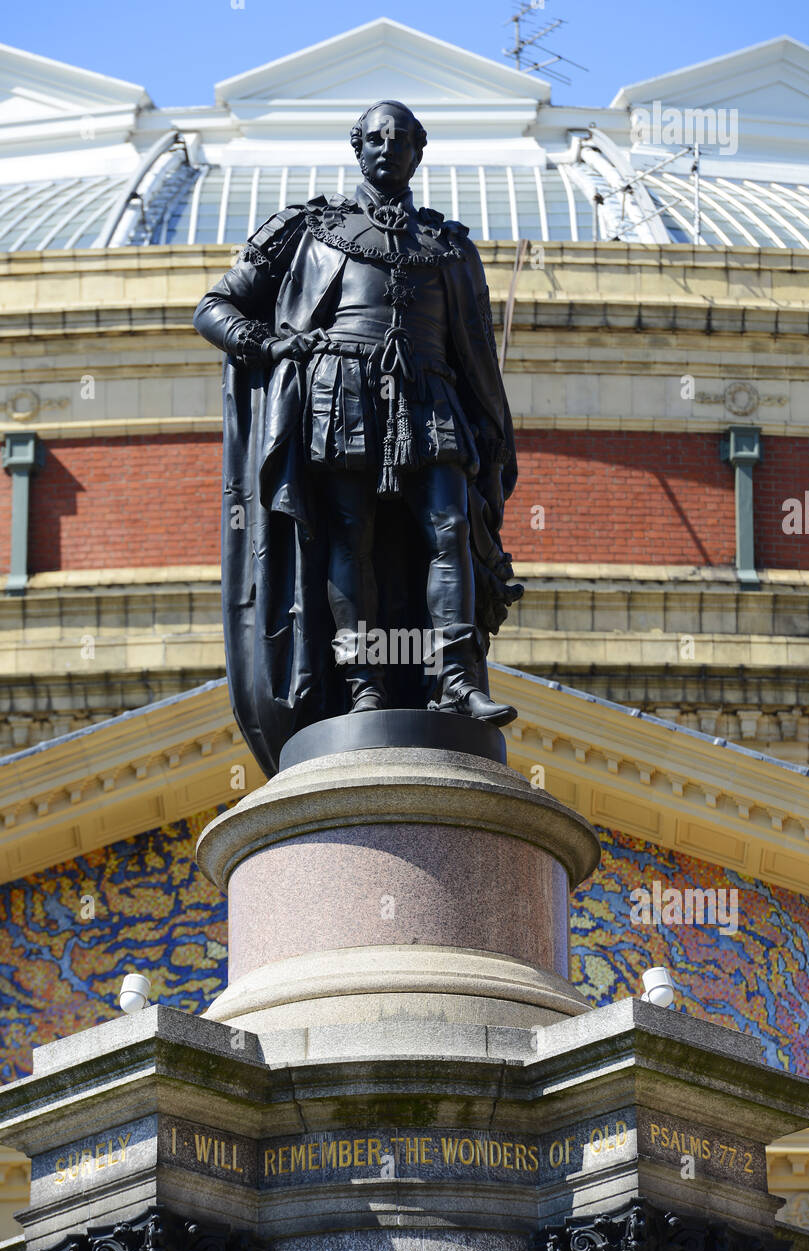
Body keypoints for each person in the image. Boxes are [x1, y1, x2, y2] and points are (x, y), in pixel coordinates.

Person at [194, 99, 523, 776]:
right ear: (357, 148)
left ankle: (458, 680)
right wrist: (273, 344)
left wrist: (493, 441)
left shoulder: (450, 247)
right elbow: (214, 307)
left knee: (449, 528)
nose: (387, 149)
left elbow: (478, 361)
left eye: (401, 139)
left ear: (418, 152)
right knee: (350, 537)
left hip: (430, 394)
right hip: (339, 393)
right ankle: (363, 682)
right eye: (375, 138)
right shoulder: (307, 228)